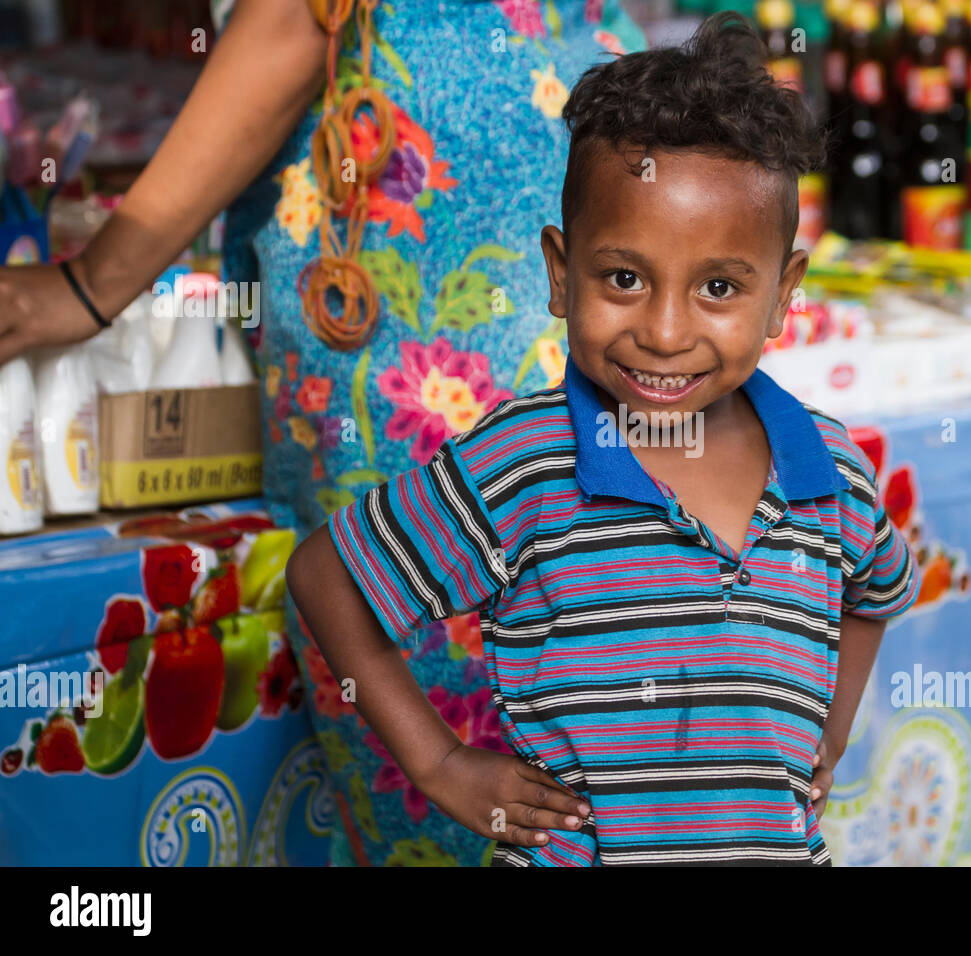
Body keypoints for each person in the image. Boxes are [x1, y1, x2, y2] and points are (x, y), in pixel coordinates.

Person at [0, 0, 646, 865]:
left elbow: (295, 19)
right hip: (558, 108)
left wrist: (90, 286)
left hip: (420, 196)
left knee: (456, 681)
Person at [287, 12, 921, 866]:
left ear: (782, 295)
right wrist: (439, 762)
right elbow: (327, 575)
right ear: (559, 271)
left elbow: (875, 589)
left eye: (719, 287)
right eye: (623, 278)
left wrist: (829, 735)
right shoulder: (525, 464)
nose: (664, 331)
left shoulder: (832, 472)